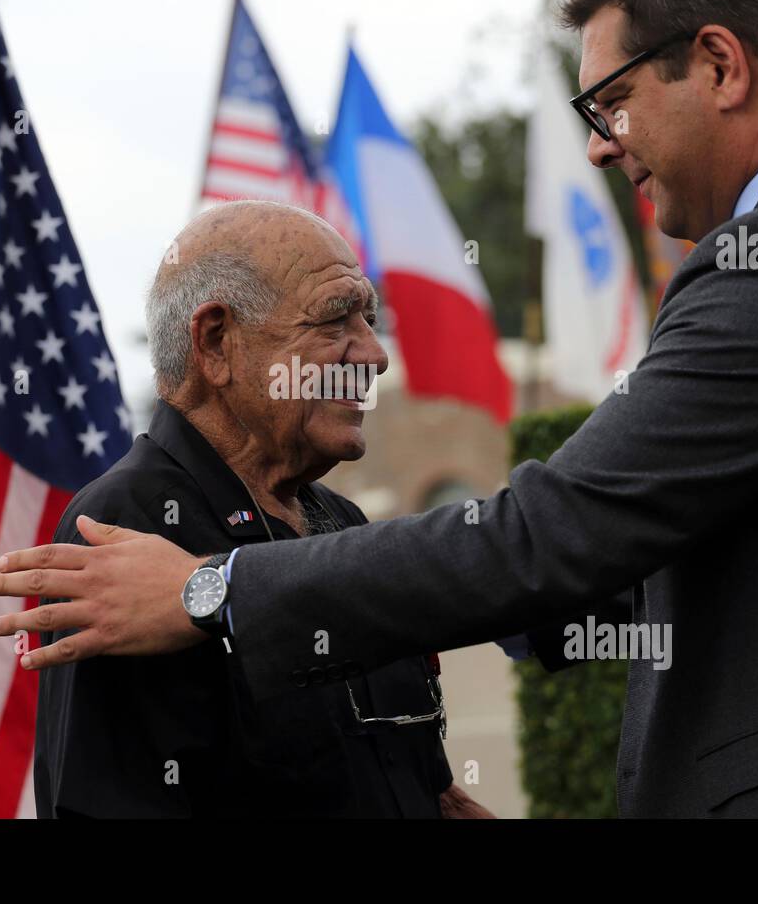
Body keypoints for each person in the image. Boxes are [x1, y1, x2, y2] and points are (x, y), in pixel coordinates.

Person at [0, 0, 758, 817]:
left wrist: (209, 590)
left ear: (719, 64)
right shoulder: (118, 544)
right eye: (338, 318)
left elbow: (554, 536)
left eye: (610, 99)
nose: (598, 140)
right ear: (216, 342)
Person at [34, 202, 489, 818]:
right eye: (334, 322)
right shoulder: (125, 525)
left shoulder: (341, 519)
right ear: (217, 343)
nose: (375, 356)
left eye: (370, 320)